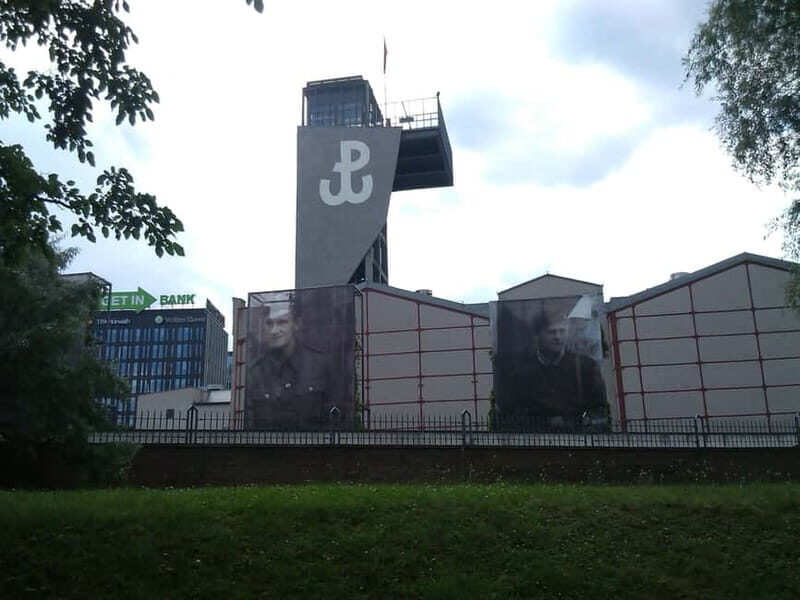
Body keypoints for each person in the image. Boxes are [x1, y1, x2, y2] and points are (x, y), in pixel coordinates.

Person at [499, 306, 608, 430]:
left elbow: (599, 409)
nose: (558, 337)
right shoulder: (519, 374)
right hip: (535, 442)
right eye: (552, 332)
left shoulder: (586, 367)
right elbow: (509, 414)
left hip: (579, 440)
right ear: (537, 334)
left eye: (562, 331)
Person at [245, 294, 334, 430]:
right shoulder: (255, 373)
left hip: (313, 448)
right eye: (269, 323)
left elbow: (334, 417)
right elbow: (250, 424)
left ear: (296, 324)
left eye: (282, 322)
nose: (274, 330)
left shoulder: (320, 365)